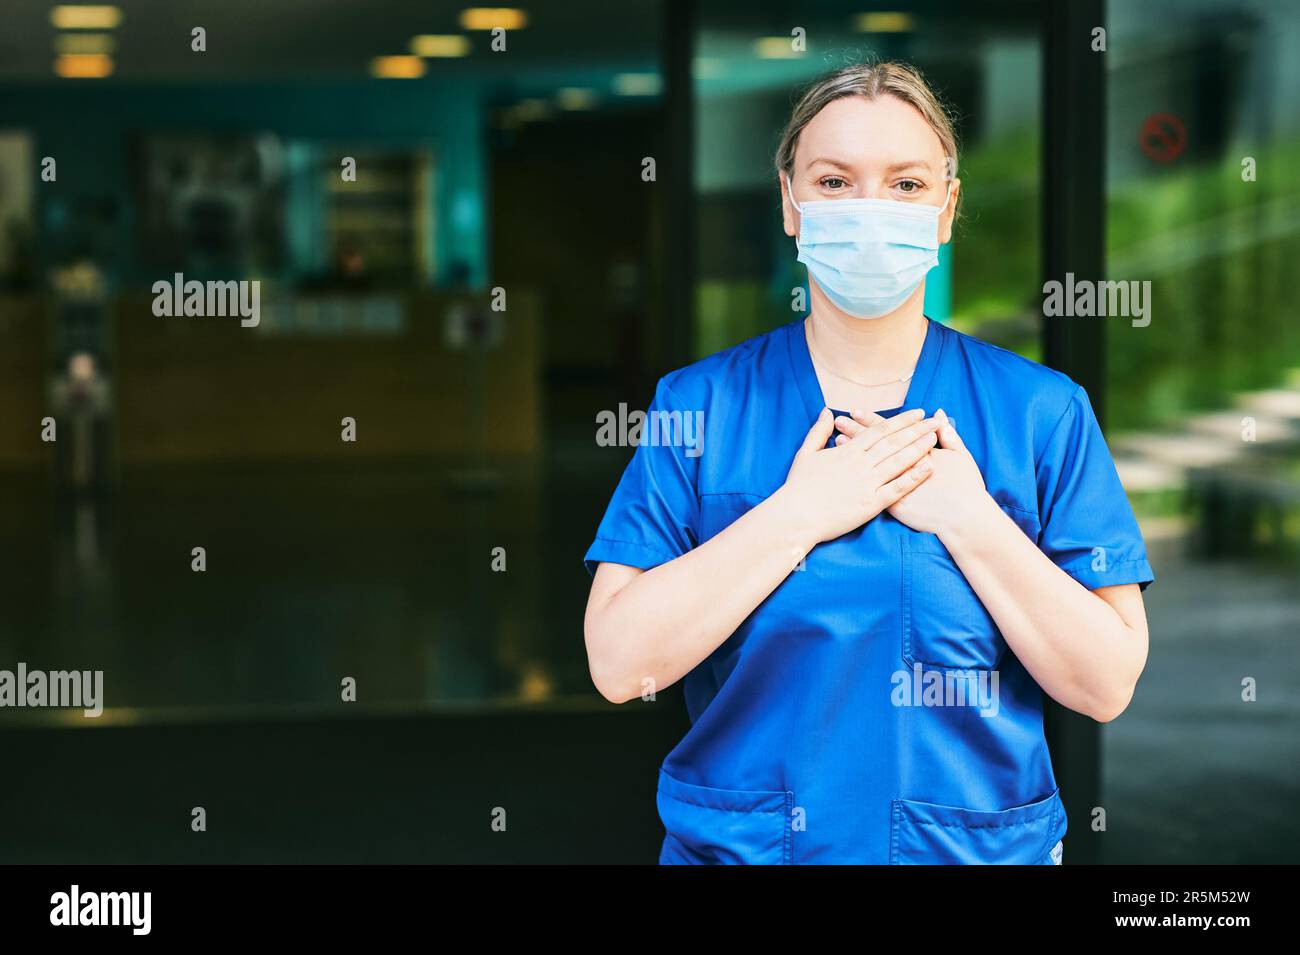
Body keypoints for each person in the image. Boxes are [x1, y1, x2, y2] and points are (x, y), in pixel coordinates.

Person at [583, 61, 1153, 864]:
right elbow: (617, 661)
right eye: (834, 180)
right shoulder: (699, 408)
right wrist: (798, 514)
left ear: (947, 208)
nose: (870, 210)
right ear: (791, 201)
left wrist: (971, 522)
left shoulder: (1039, 412)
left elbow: (1105, 683)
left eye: (907, 184)